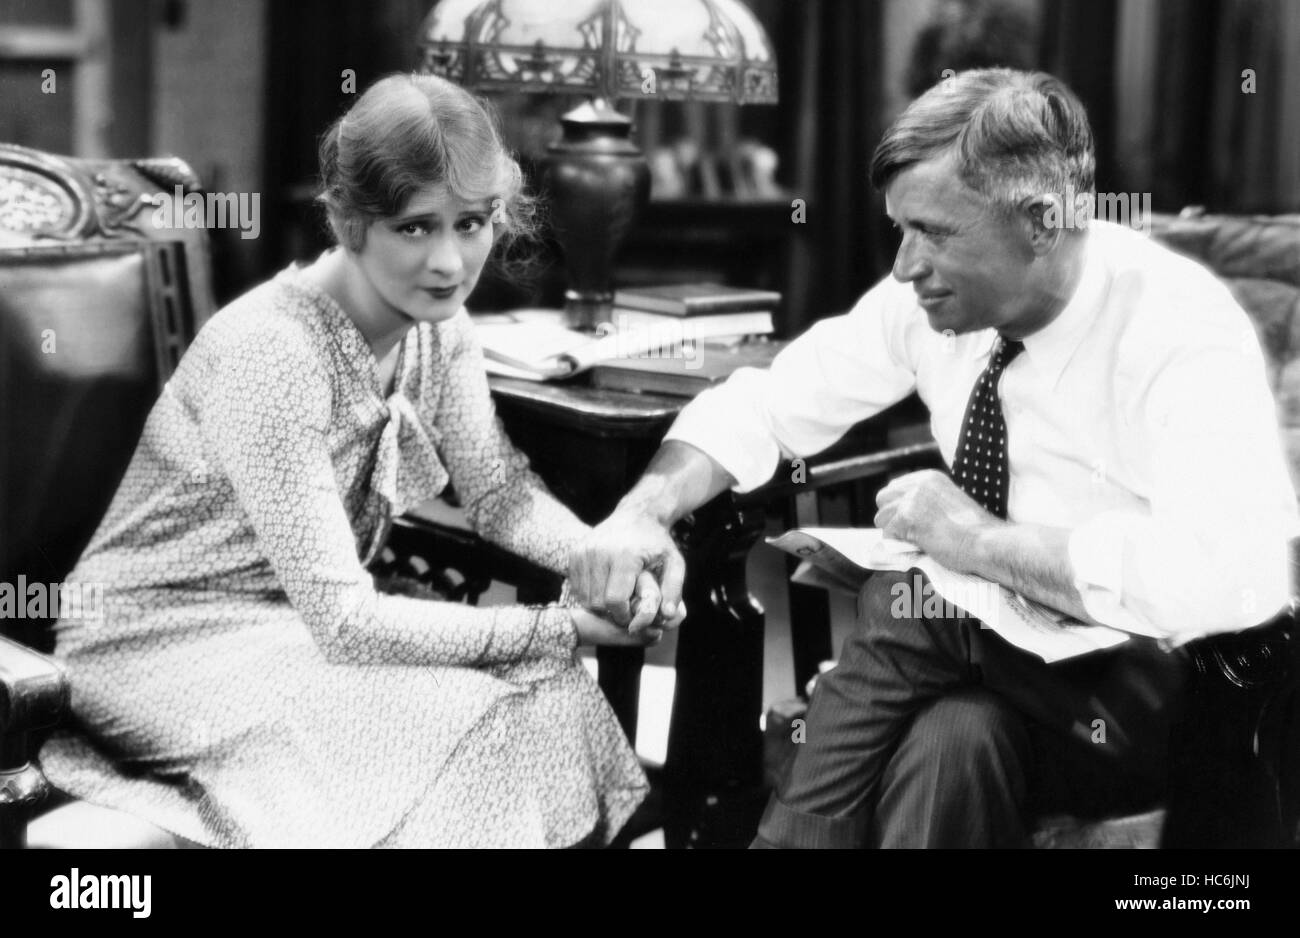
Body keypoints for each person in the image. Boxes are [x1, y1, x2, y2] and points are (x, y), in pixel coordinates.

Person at [570, 68, 1300, 847]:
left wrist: (978, 546)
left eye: (937, 233)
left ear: (1043, 224)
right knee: (952, 742)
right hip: (1014, 681)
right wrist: (639, 511)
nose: (904, 266)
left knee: (918, 602)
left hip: (1189, 693)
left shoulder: (1176, 327)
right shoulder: (929, 302)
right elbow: (765, 402)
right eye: (901, 229)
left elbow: (1221, 581)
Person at [41, 72, 661, 849]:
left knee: (552, 693)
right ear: (349, 218)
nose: (448, 261)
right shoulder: (273, 352)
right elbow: (346, 621)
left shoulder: (440, 327)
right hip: (158, 640)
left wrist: (606, 559)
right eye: (414, 227)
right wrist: (563, 624)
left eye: (471, 223)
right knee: (474, 715)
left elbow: (498, 493)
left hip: (295, 628)